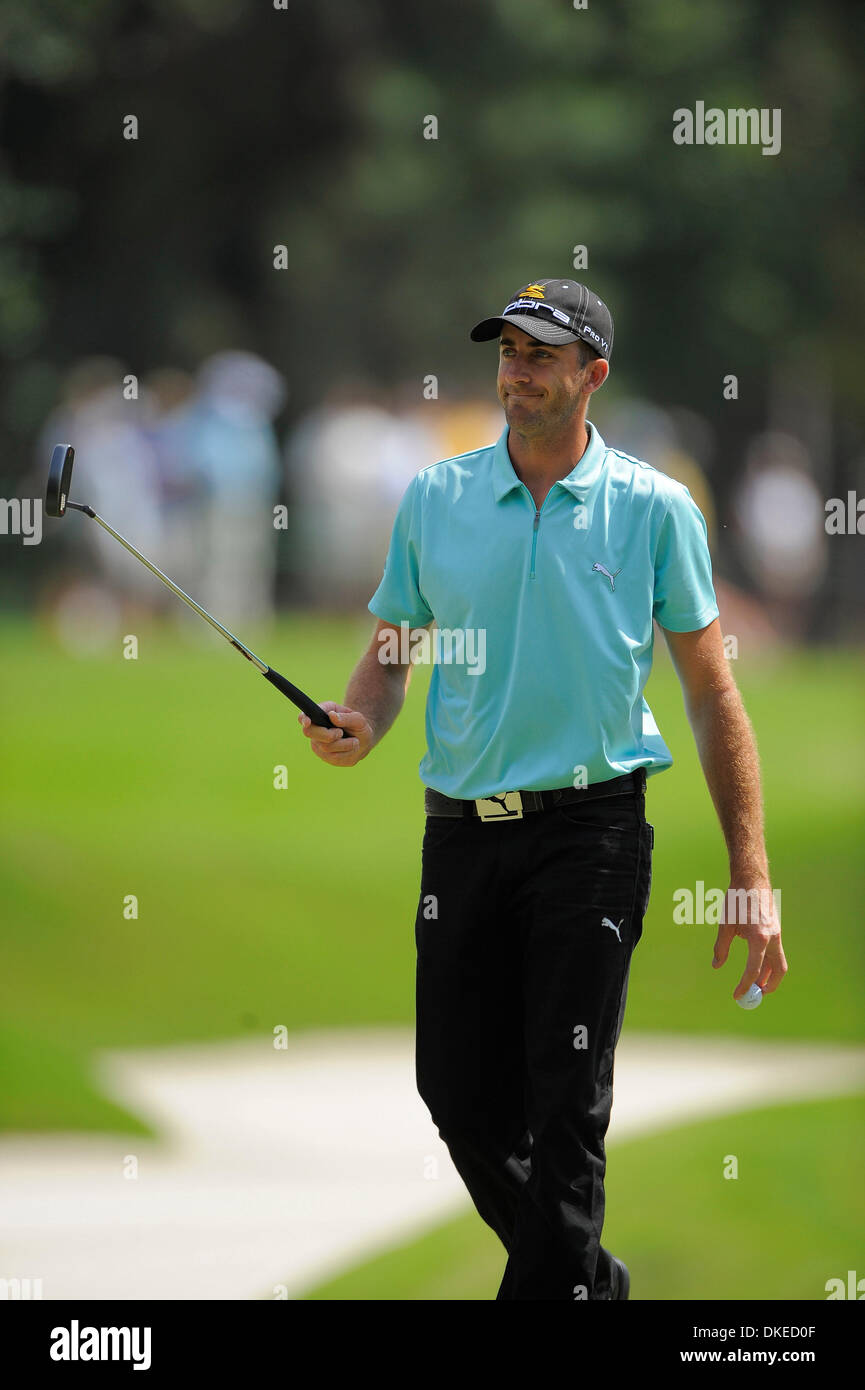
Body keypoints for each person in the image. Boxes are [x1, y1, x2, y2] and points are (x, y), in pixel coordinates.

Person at [298, 277, 788, 1301]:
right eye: (508, 352)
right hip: (462, 837)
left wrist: (749, 867)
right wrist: (359, 724)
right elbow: (389, 658)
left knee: (566, 1105)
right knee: (458, 1095)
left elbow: (710, 695)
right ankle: (588, 1288)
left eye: (540, 356)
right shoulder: (437, 496)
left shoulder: (653, 509)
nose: (516, 372)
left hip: (591, 834)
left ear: (591, 377)